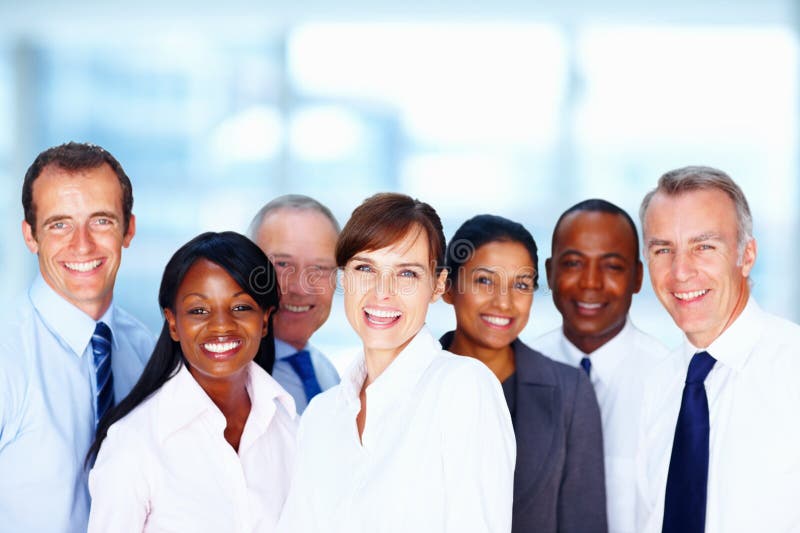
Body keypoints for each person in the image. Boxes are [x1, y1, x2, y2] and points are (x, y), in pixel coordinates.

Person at [276, 193, 515, 533]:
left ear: (437, 285)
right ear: (344, 278)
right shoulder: (321, 415)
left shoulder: (463, 389)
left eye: (407, 274)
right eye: (365, 269)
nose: (381, 292)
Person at [87, 231, 296, 532]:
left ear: (264, 320)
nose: (222, 325)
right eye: (198, 310)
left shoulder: (292, 430)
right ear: (173, 323)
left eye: (241, 307)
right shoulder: (134, 443)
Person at [0, 142, 154, 532]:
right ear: (30, 236)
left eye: (101, 220)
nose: (82, 244)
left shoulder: (147, 354)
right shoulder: (6, 357)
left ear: (129, 229)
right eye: (59, 224)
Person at [636, 166, 800, 533]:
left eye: (704, 246)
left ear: (747, 255)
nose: (680, 271)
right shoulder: (658, 384)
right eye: (663, 249)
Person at [440, 214, 607, 533]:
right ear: (448, 288)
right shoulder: (411, 386)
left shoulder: (570, 392)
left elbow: (584, 523)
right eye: (484, 280)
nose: (503, 302)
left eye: (520, 284)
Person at [531, 199, 668, 533]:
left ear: (637, 277)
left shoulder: (672, 383)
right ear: (550, 273)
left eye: (612, 266)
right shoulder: (517, 374)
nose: (590, 283)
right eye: (574, 263)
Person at [248, 195, 340, 413]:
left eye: (319, 269)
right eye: (282, 264)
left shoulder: (327, 375)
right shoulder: (225, 383)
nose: (300, 287)